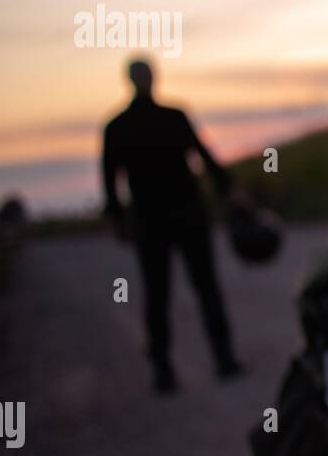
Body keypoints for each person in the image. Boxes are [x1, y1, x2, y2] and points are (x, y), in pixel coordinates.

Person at [102, 56, 245, 393]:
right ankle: (219, 361)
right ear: (149, 79)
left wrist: (119, 221)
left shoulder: (120, 126)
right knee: (200, 288)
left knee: (160, 295)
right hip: (183, 217)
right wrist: (229, 189)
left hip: (156, 222)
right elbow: (204, 158)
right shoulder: (170, 117)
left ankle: (167, 373)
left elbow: (110, 182)